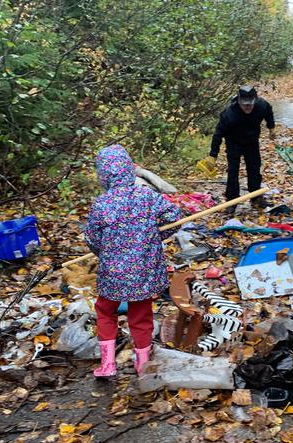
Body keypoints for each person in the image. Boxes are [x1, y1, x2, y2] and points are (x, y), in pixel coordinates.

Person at [84, 144, 183, 377]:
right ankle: (142, 363)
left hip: (113, 274)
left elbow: (91, 237)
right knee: (141, 315)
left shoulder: (102, 203)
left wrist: (104, 252)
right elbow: (174, 217)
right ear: (129, 170)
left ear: (103, 175)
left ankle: (108, 364)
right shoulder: (146, 195)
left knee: (105, 311)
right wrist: (156, 235)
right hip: (143, 272)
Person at [199, 85, 275, 213]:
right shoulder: (229, 114)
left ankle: (255, 197)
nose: (248, 107)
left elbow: (269, 112)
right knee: (233, 171)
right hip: (234, 143)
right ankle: (232, 200)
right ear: (239, 102)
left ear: (255, 101)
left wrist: (271, 127)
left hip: (252, 142)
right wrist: (213, 155)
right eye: (245, 104)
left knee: (254, 168)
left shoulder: (262, 105)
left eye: (250, 104)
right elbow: (218, 134)